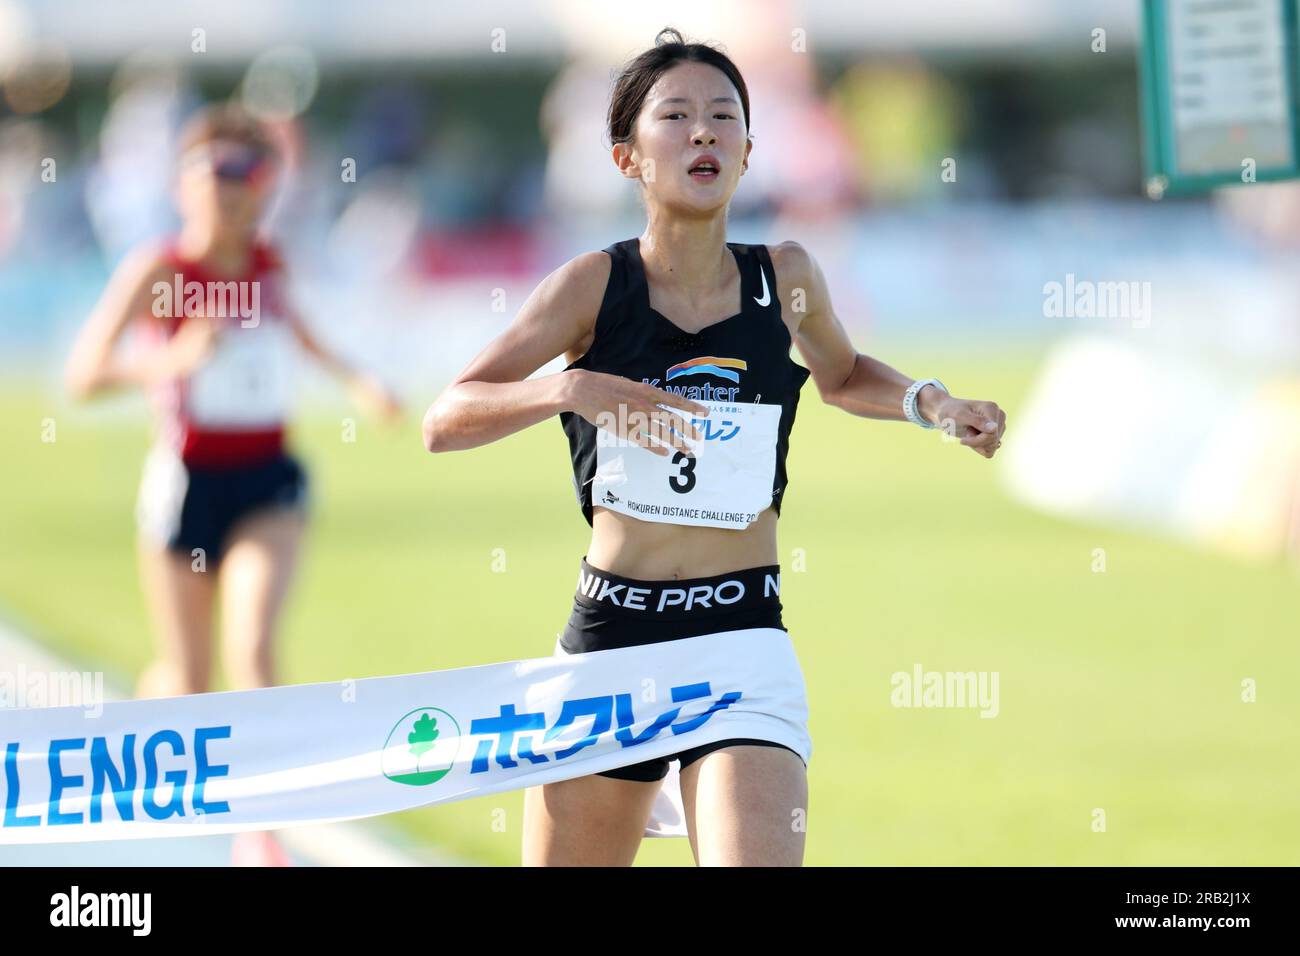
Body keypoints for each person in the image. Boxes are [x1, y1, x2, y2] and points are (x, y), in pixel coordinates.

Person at [421, 28, 1006, 866]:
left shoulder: (787, 274)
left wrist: (931, 403)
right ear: (626, 157)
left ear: (747, 150)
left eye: (724, 116)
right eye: (678, 115)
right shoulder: (594, 285)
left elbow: (840, 377)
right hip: (610, 643)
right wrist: (572, 386)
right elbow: (447, 416)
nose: (704, 132)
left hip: (742, 641)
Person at [64, 103, 401, 866]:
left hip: (266, 482)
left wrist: (360, 383)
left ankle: (261, 828)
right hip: (185, 489)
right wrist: (166, 361)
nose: (231, 187)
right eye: (214, 171)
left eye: (248, 172)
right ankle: (141, 718)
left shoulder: (268, 266)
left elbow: (306, 337)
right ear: (183, 184)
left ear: (267, 186)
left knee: (251, 645)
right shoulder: (159, 272)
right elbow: (82, 376)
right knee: (185, 686)